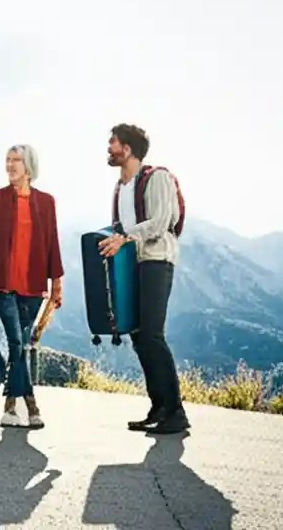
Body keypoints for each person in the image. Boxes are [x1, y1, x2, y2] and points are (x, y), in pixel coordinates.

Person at [0, 144, 64, 429]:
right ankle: (30, 404)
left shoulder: (46, 202)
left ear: (29, 166)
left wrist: (57, 282)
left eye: (16, 160)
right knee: (18, 342)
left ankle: (10, 406)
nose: (10, 165)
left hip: (33, 286)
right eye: (7, 160)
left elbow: (52, 243)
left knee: (22, 345)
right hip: (3, 283)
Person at [99, 123, 189, 435]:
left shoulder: (157, 177)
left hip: (156, 260)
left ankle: (175, 412)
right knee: (138, 335)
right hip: (132, 265)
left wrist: (125, 237)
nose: (109, 147)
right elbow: (121, 228)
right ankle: (159, 407)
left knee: (152, 333)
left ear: (128, 149)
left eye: (113, 142)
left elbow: (162, 221)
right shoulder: (120, 188)